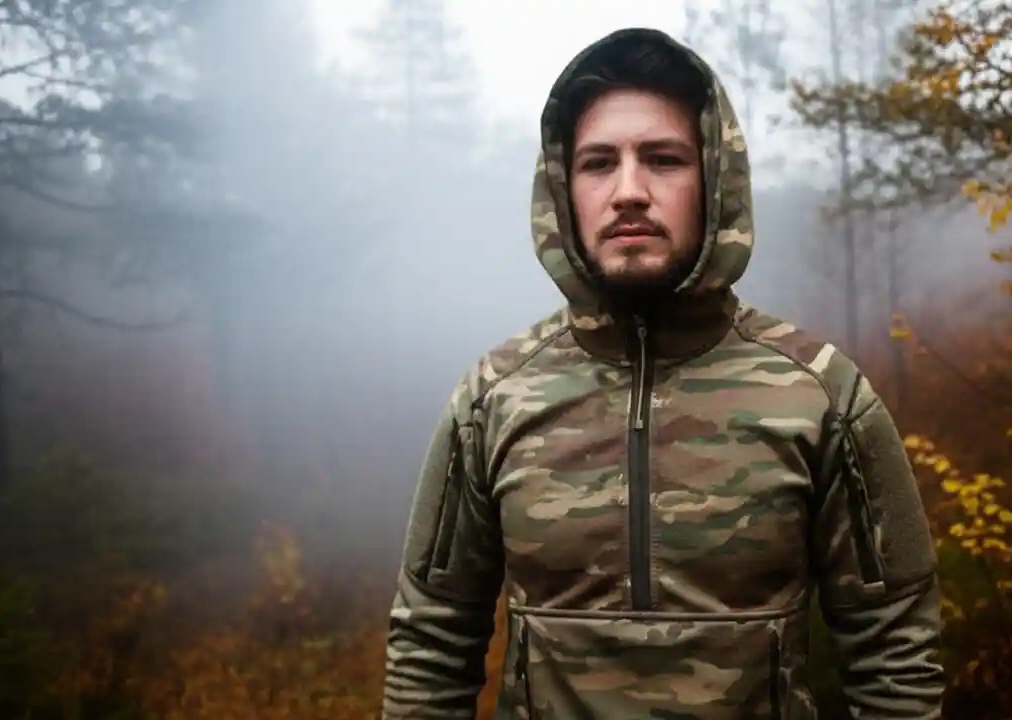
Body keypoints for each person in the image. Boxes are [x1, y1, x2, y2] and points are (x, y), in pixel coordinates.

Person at [382, 27, 944, 719]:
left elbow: (894, 650)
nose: (629, 191)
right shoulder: (492, 400)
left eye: (663, 159)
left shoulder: (821, 394)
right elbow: (431, 641)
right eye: (598, 163)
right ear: (563, 191)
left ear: (713, 181)